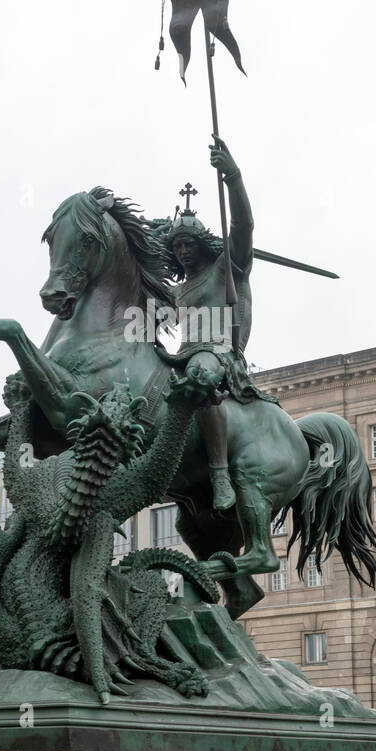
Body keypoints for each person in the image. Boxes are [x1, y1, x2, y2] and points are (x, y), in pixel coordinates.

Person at [159, 136, 276, 511]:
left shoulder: (226, 268)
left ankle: (221, 472)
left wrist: (233, 177)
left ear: (201, 243)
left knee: (200, 375)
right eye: (177, 245)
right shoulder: (178, 290)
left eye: (188, 242)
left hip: (218, 355)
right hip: (183, 355)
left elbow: (244, 223)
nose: (183, 249)